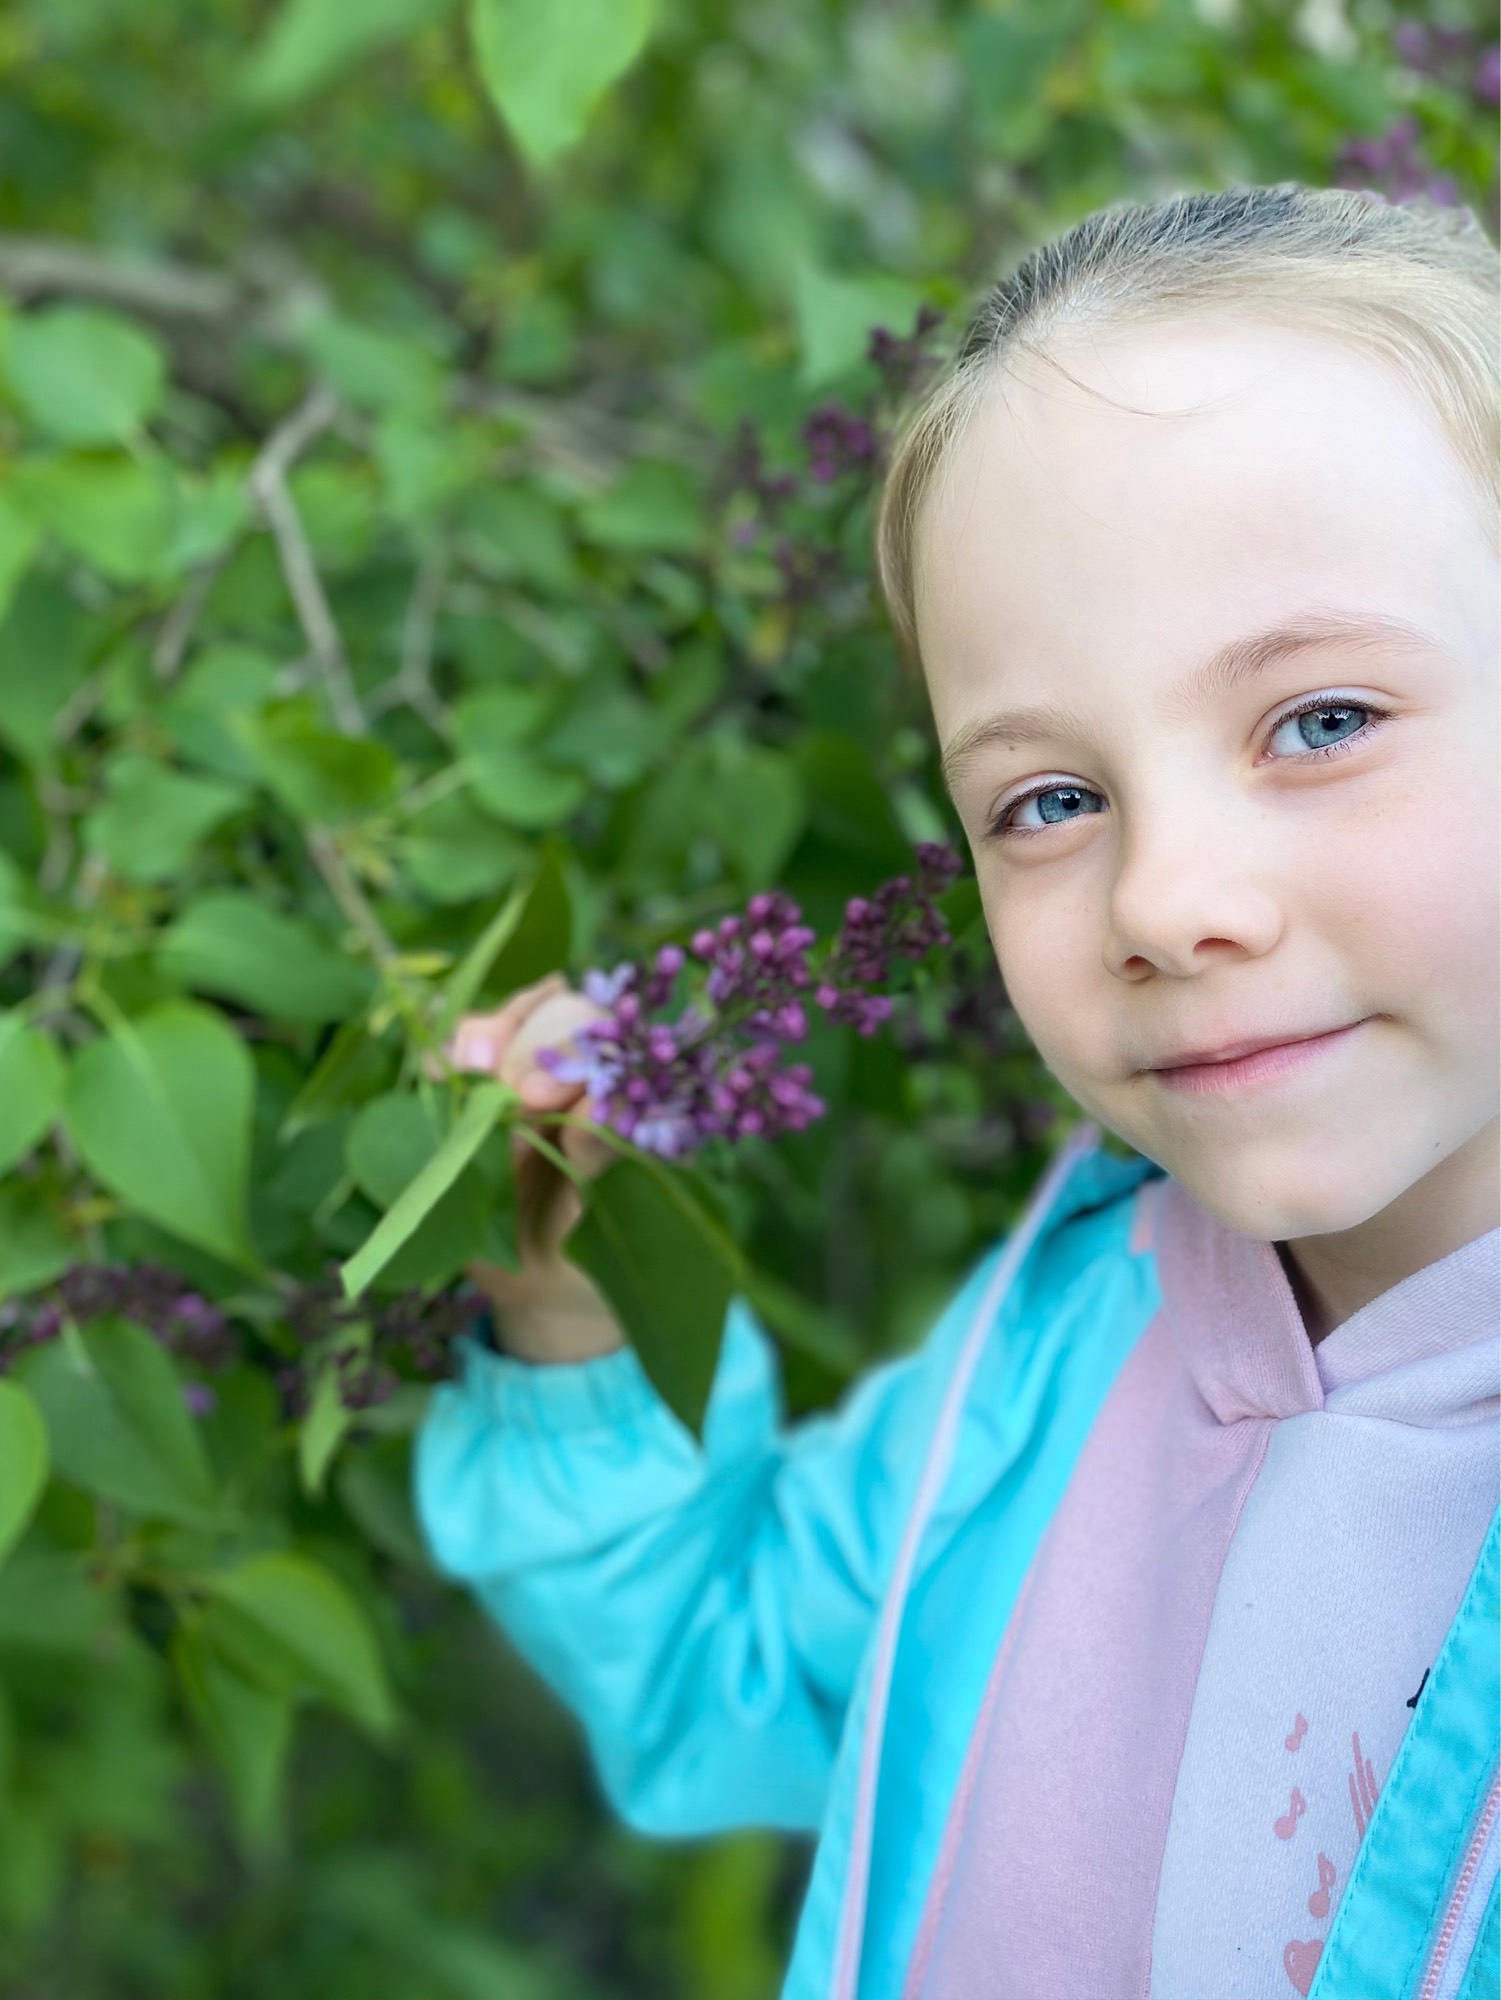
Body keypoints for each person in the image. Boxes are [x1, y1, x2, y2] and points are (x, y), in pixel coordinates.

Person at [414, 184, 1500, 2000]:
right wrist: (573, 1301)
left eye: (1319, 722)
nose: (1162, 902)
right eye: (1046, 802)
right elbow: (730, 1663)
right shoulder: (1064, 1346)